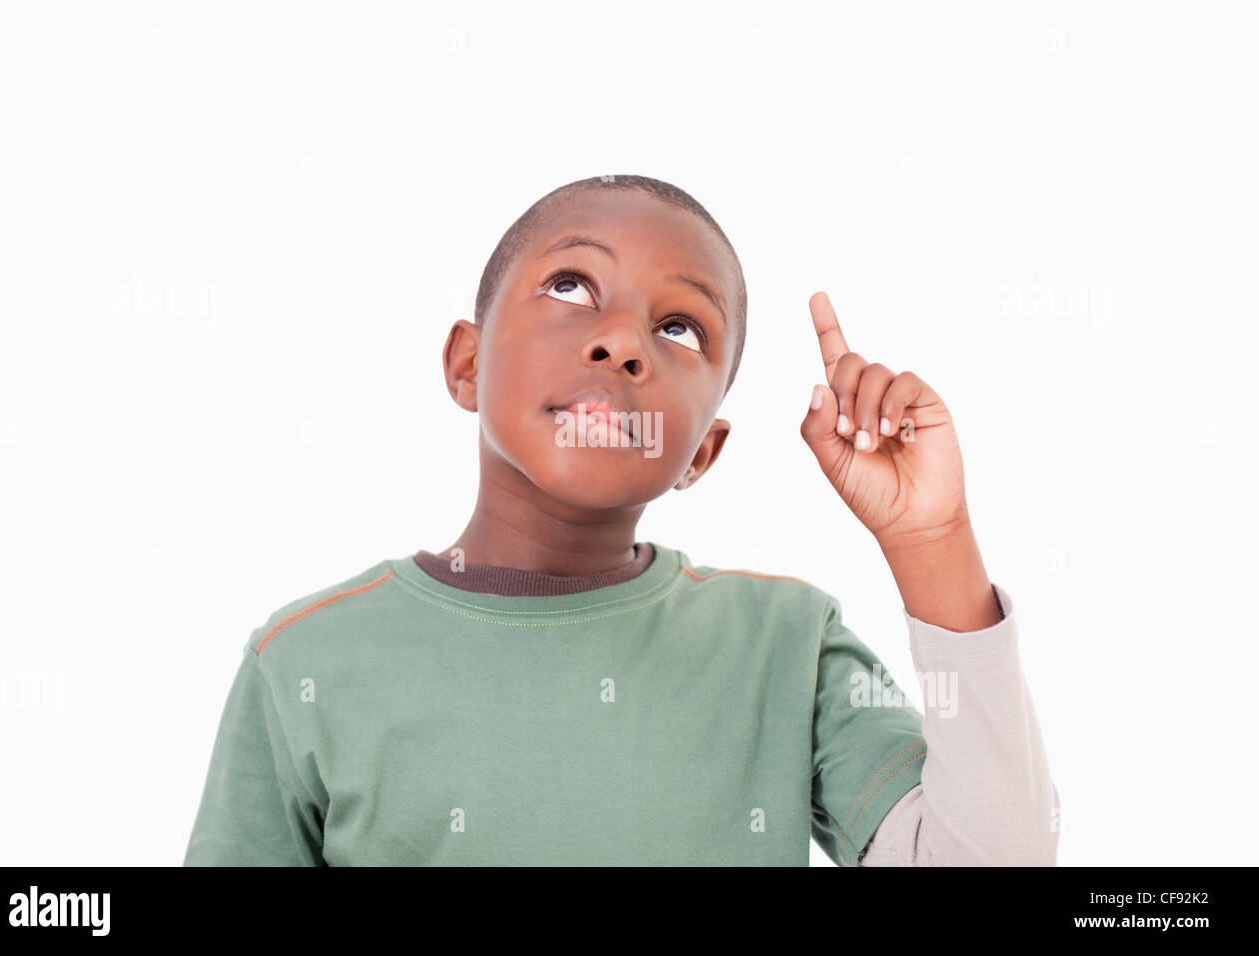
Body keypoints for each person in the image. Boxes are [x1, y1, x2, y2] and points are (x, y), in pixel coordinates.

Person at [183, 174, 1059, 866]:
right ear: (466, 365)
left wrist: (932, 541)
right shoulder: (304, 661)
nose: (623, 343)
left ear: (700, 455)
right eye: (571, 285)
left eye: (680, 329)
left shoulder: (787, 646)